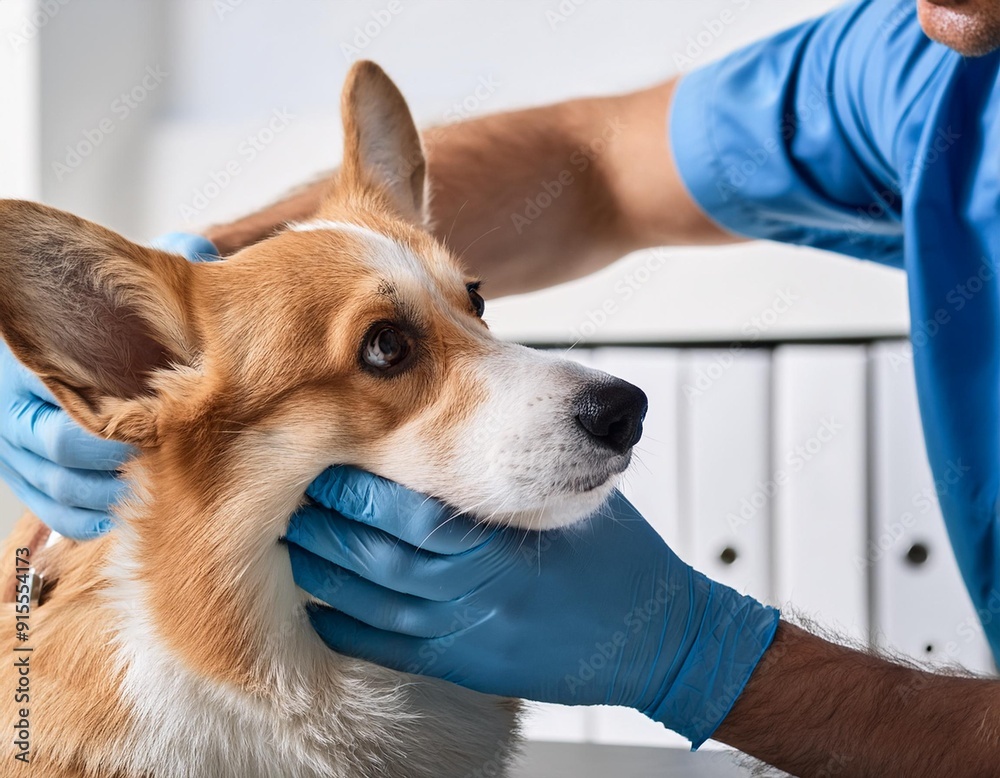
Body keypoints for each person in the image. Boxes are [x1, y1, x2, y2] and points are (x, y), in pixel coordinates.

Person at [3, 0, 1000, 773]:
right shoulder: (928, 59)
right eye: (396, 345)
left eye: (454, 316)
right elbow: (594, 159)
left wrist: (707, 659)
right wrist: (225, 279)